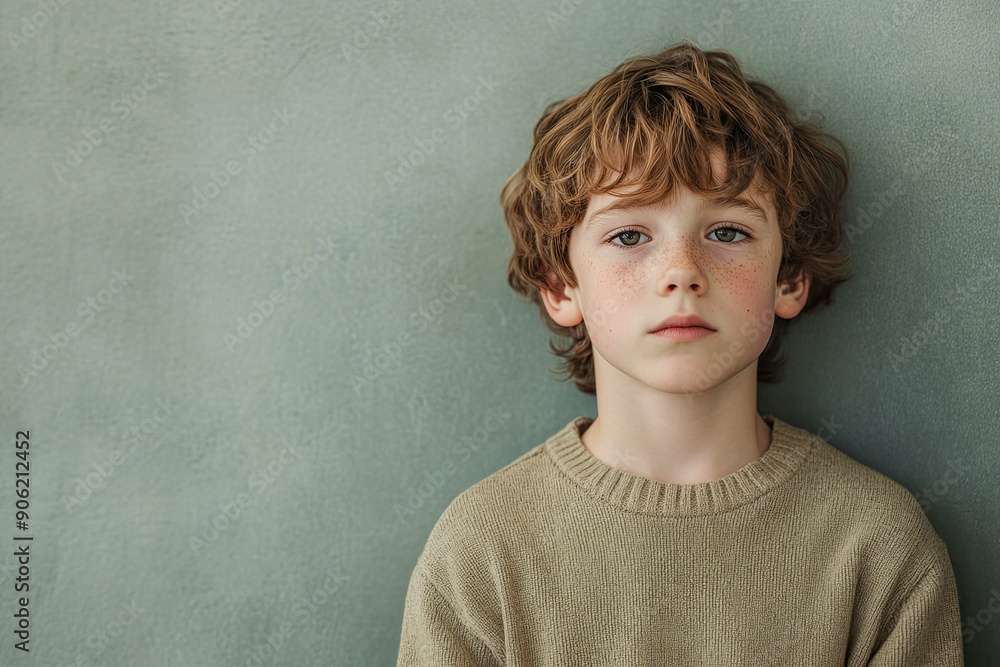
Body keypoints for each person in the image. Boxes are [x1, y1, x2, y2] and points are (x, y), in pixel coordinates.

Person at [397, 41, 963, 665]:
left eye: (727, 232)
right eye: (629, 234)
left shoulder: (877, 546)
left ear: (790, 279)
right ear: (561, 286)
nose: (681, 273)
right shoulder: (482, 549)